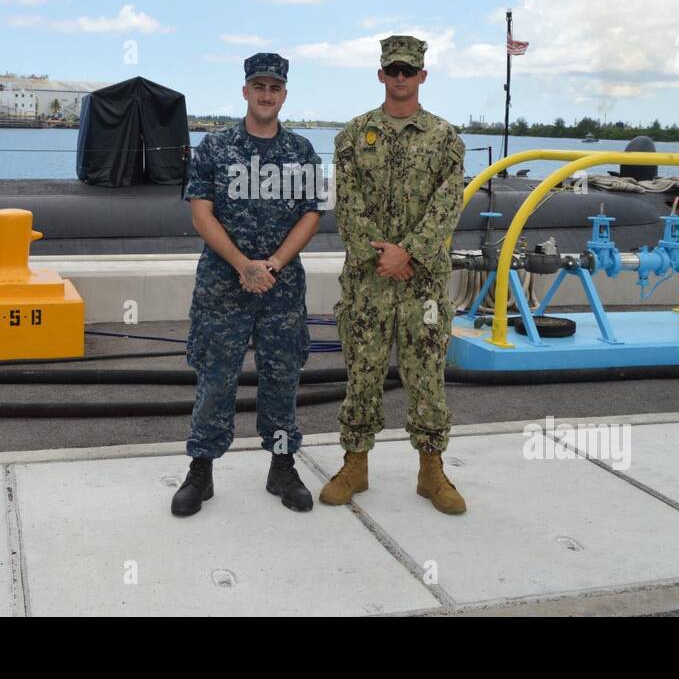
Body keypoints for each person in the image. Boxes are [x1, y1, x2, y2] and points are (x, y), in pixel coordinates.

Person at [320, 35, 468, 514]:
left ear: (422, 76)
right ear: (381, 75)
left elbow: (448, 204)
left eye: (409, 70)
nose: (401, 78)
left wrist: (410, 253)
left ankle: (431, 472)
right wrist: (381, 255)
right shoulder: (352, 136)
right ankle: (355, 465)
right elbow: (350, 206)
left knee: (427, 376)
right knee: (361, 373)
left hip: (422, 283)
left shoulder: (445, 139)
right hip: (369, 281)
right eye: (393, 70)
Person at [171, 52, 324, 516]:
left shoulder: (302, 152)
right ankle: (201, 470)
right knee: (215, 379)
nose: (266, 95)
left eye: (274, 88)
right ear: (245, 91)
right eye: (258, 86)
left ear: (284, 94)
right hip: (223, 285)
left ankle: (282, 466)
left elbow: (312, 213)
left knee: (281, 378)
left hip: (281, 290)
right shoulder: (215, 148)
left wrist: (272, 265)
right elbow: (201, 212)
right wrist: (243, 265)